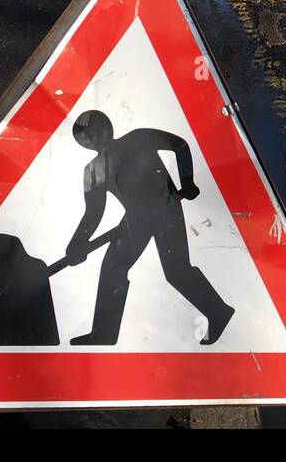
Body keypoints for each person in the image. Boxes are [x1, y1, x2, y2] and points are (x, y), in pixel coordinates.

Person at [65, 109, 234, 346]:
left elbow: (179, 145)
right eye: (85, 138)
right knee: (112, 268)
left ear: (106, 126)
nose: (91, 139)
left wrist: (187, 181)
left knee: (176, 271)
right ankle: (104, 333)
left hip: (166, 207)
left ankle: (218, 312)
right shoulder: (93, 170)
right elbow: (93, 213)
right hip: (135, 220)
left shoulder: (138, 138)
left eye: (93, 131)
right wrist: (77, 243)